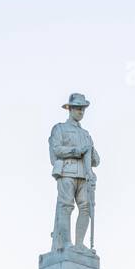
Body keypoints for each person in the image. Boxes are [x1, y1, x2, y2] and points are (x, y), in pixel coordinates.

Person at [49, 93, 100, 250]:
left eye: (83, 109)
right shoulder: (60, 128)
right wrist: (77, 150)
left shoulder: (86, 134)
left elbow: (96, 161)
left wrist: (91, 152)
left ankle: (79, 244)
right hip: (67, 172)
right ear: (70, 109)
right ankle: (66, 243)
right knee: (66, 207)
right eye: (78, 108)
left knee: (86, 208)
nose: (81, 112)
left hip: (84, 176)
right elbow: (56, 150)